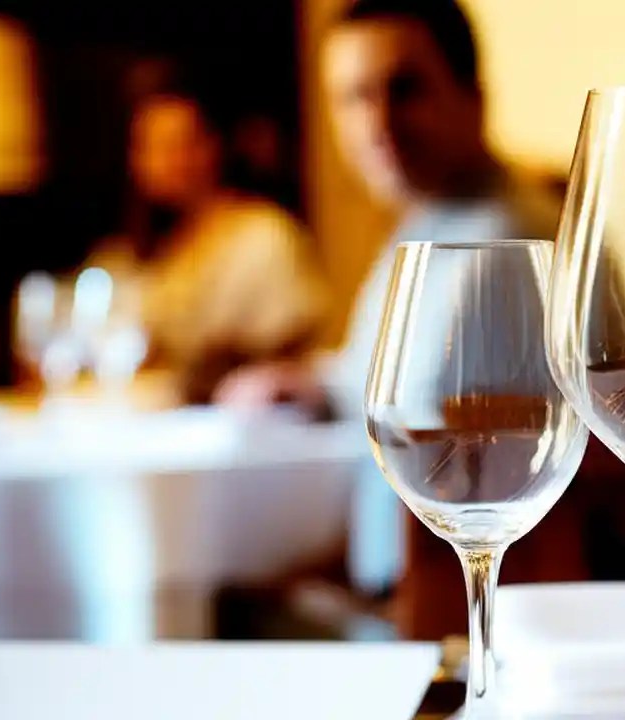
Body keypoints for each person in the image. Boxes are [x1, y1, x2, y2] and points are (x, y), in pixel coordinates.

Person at [216, 0, 561, 593]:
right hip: (402, 574)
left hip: (442, 598)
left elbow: (427, 434)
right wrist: (316, 383)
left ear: (472, 94)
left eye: (405, 90)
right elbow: (393, 385)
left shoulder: (499, 245)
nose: (378, 122)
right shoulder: (432, 221)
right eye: (353, 97)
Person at [92, 77, 328, 403]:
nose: (169, 160)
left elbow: (292, 351)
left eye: (182, 143)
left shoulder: (265, 235)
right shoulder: (131, 255)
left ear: (215, 145)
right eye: (152, 146)